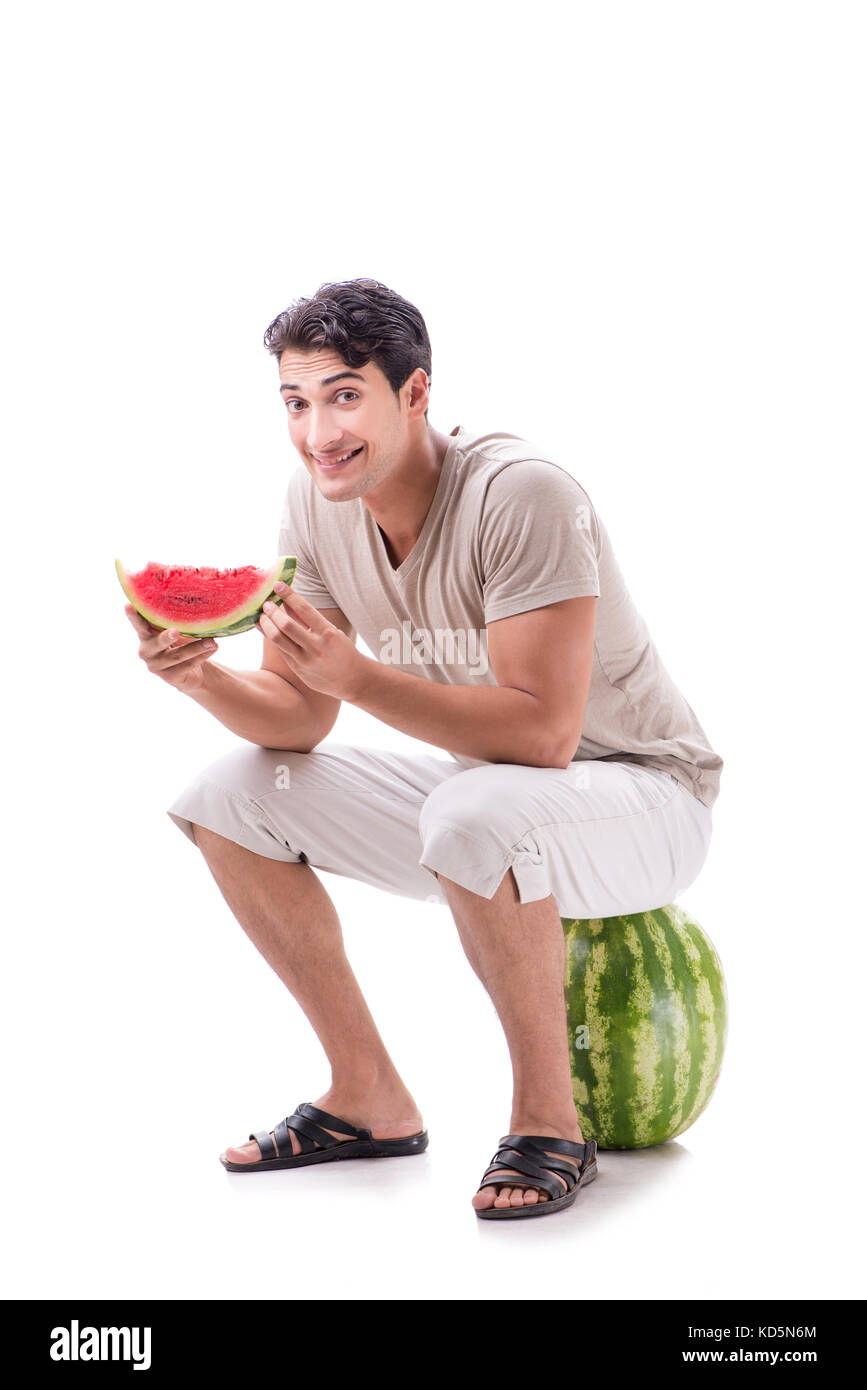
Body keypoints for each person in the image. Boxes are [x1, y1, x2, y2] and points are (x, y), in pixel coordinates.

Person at [125, 277, 723, 1220]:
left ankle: (550, 1121)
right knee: (228, 794)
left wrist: (355, 678)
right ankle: (366, 1096)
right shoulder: (316, 502)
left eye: (345, 395)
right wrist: (199, 677)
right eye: (296, 401)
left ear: (414, 393)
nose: (319, 431)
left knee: (471, 807)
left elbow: (543, 732)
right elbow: (300, 719)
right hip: (490, 806)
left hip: (642, 795)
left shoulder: (519, 494)